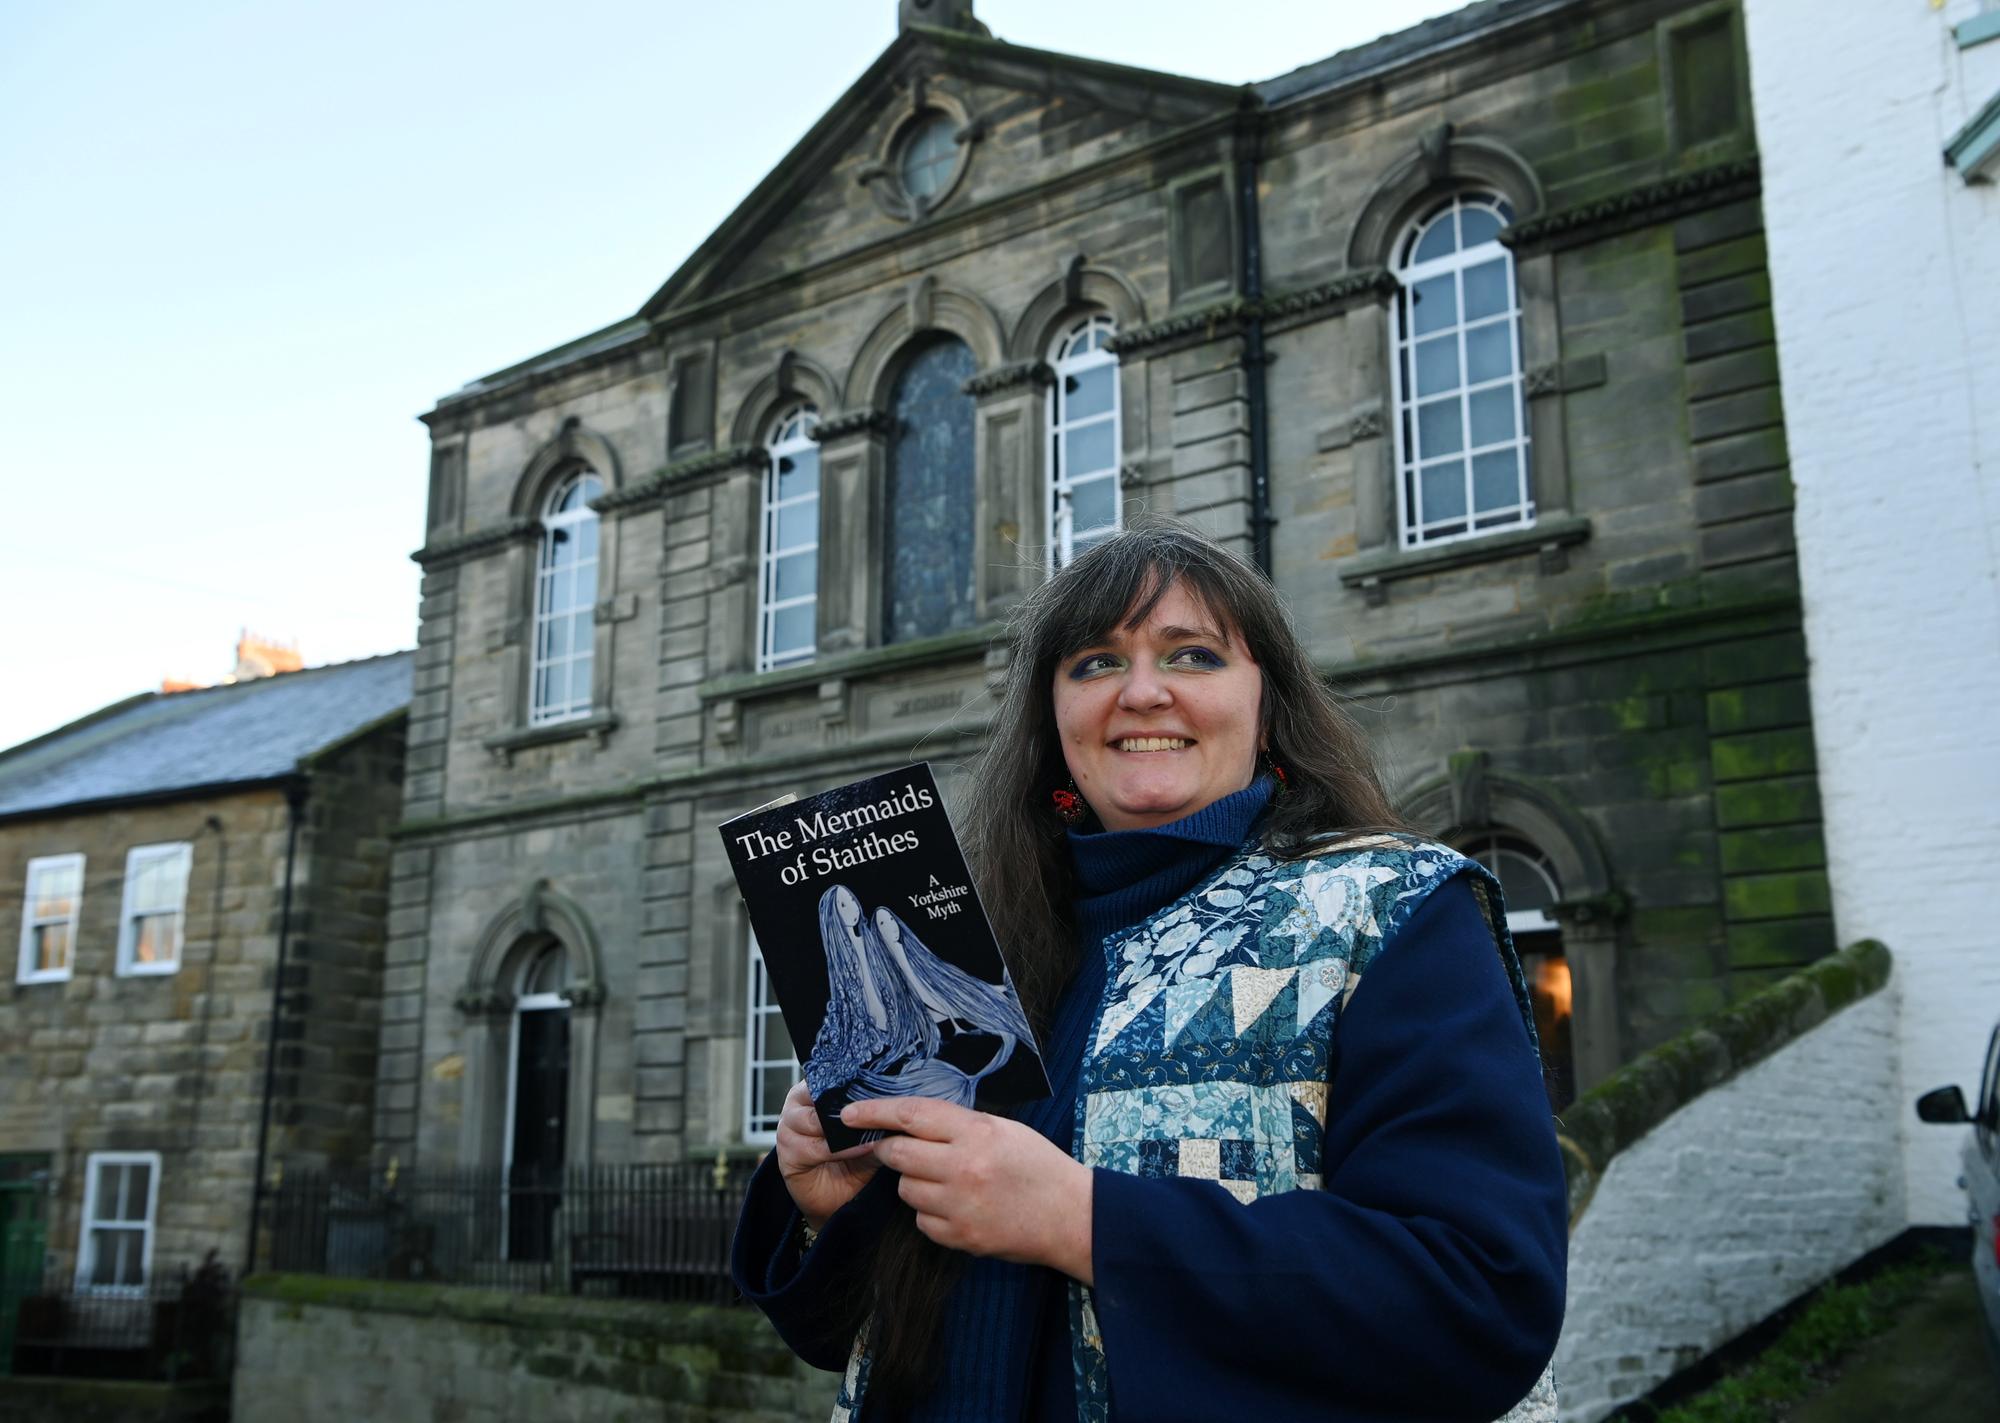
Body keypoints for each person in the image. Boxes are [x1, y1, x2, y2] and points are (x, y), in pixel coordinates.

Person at [733, 519, 1568, 1423]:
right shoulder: (974, 952)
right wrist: (839, 1208)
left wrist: (1082, 1219)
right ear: (1053, 720)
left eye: (1193, 655)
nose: (1140, 692)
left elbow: (1480, 1295)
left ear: (1268, 703)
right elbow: (862, 1338)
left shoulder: (1390, 909)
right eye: (1094, 662)